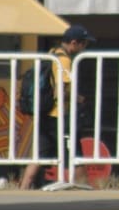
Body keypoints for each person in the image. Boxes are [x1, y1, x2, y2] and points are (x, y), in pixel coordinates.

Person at [20, 25, 93, 189]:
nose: (84, 48)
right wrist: (80, 99)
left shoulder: (53, 52)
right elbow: (62, 91)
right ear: (74, 43)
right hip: (59, 115)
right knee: (76, 155)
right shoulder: (64, 60)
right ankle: (84, 188)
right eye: (84, 44)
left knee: (39, 156)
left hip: (45, 114)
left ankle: (23, 189)